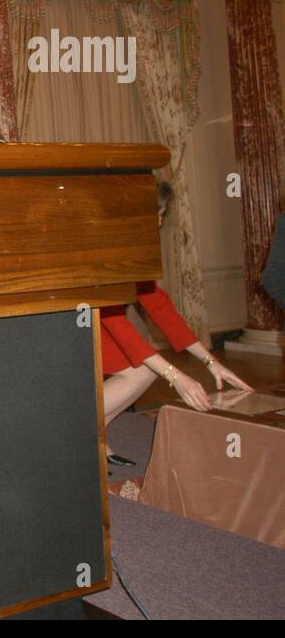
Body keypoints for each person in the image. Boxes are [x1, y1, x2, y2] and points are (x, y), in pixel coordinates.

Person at [100, 182, 252, 466]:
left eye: (162, 213)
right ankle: (73, 428)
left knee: (145, 369)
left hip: (102, 320)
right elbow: (113, 318)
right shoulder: (109, 244)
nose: (159, 221)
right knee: (147, 366)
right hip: (73, 325)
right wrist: (176, 376)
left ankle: (94, 437)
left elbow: (159, 306)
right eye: (155, 213)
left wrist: (211, 362)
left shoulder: (138, 246)